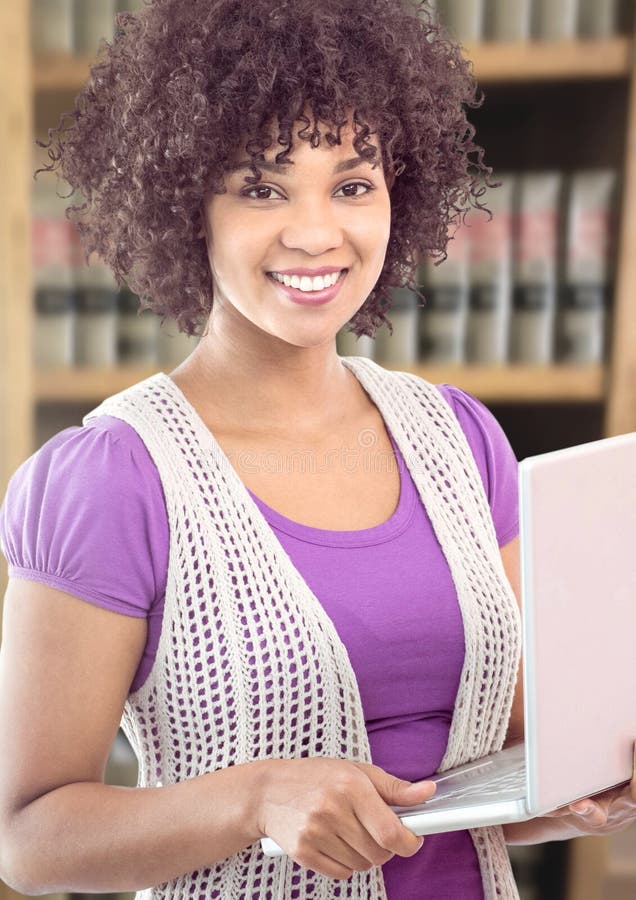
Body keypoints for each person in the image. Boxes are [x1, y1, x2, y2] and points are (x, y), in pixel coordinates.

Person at [1, 0, 635, 897]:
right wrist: (255, 799)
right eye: (262, 188)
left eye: (353, 185)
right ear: (187, 205)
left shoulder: (462, 441)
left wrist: (584, 792)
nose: (315, 233)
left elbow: (494, 781)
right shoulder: (112, 479)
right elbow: (27, 839)